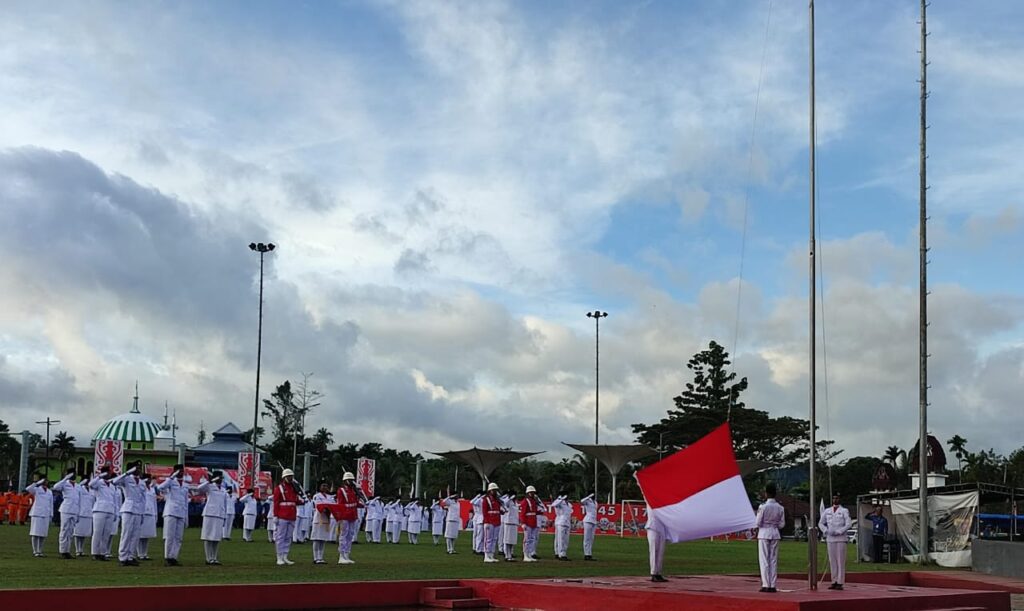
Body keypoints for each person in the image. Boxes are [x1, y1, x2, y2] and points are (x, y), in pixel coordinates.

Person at [113, 463, 146, 566]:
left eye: (139, 469)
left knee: (135, 535)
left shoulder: (141, 482)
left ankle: (131, 556)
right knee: (126, 534)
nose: (139, 470)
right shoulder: (126, 479)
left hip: (138, 510)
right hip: (128, 508)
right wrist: (126, 473)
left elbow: (143, 499)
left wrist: (143, 512)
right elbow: (115, 481)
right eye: (137, 468)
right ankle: (123, 557)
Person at [157, 464, 190, 566]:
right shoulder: (170, 482)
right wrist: (171, 477)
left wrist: (186, 517)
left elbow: (185, 502)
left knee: (178, 537)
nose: (181, 473)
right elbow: (160, 487)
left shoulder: (185, 484)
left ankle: (174, 557)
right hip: (170, 511)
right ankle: (168, 557)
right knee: (169, 536)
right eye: (179, 471)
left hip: (181, 512)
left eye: (182, 471)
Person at [755, 482, 785, 593]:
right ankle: (772, 584)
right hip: (775, 532)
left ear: (766, 493)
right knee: (773, 559)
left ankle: (765, 584)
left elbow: (757, 522)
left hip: (764, 533)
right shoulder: (780, 507)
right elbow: (782, 524)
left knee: (764, 559)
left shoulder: (763, 507)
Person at [819, 493, 852, 590]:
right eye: (834, 498)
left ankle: (840, 582)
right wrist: (825, 530)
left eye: (837, 498)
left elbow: (848, 523)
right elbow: (821, 523)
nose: (835, 500)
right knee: (832, 561)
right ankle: (833, 581)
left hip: (841, 538)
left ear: (840, 499)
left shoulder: (844, 511)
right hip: (830, 538)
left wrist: (840, 531)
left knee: (840, 561)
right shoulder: (827, 511)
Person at [197, 471, 227, 565]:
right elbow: (199, 489)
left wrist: (224, 516)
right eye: (219, 478)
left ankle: (214, 557)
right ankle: (208, 558)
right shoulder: (210, 486)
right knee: (208, 536)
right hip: (209, 514)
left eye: (221, 478)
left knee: (216, 538)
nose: (221, 479)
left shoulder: (223, 489)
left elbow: (224, 504)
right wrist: (209, 481)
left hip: (219, 515)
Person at [89, 466, 119, 561]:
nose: (110, 474)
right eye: (108, 472)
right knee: (97, 532)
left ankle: (103, 553)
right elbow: (90, 484)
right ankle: (95, 553)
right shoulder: (98, 483)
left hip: (110, 510)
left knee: (106, 533)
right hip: (100, 510)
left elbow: (115, 501)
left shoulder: (112, 486)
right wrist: (99, 476)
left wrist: (115, 513)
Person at [273, 468, 301, 565]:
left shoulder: (293, 487)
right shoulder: (279, 488)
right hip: (282, 515)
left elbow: (295, 500)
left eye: (291, 476)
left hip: (292, 515)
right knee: (281, 536)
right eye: (288, 476)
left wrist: (301, 500)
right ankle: (279, 557)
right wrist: (275, 515)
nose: (290, 478)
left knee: (288, 537)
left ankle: (285, 556)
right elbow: (276, 503)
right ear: (284, 477)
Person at [335, 472, 363, 564]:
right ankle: (341, 556)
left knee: (350, 535)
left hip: (353, 515)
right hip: (345, 515)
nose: (351, 481)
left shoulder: (354, 490)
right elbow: (340, 504)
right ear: (345, 480)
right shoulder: (341, 490)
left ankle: (347, 555)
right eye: (349, 480)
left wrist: (363, 504)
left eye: (352, 480)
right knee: (344, 535)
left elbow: (355, 502)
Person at [53, 469, 81, 559]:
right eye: (72, 474)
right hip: (66, 509)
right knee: (64, 530)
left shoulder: (77, 486)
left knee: (71, 531)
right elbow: (55, 487)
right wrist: (65, 478)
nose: (74, 476)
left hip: (75, 510)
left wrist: (79, 513)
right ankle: (63, 551)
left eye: (75, 474)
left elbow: (79, 500)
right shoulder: (64, 484)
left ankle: (67, 551)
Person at [26, 476, 53, 557]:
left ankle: (40, 550)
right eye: (44, 481)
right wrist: (37, 483)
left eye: (46, 481)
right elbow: (28, 489)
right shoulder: (37, 489)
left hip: (46, 514)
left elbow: (51, 504)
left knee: (43, 534)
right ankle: (35, 551)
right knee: (35, 533)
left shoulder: (49, 492)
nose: (46, 482)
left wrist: (51, 515)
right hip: (37, 513)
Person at [310, 481, 334, 565]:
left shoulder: (330, 497)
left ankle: (321, 557)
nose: (325, 487)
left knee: (323, 539)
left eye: (326, 486)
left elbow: (333, 505)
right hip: (318, 519)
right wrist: (326, 507)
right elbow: (319, 505)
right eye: (323, 485)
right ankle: (316, 557)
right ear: (319, 487)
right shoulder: (317, 496)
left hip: (326, 520)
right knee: (317, 539)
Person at [519, 486, 544, 562]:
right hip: (527, 523)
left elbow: (534, 511)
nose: (532, 494)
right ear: (528, 493)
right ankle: (525, 555)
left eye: (533, 492)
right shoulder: (525, 501)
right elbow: (522, 513)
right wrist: (523, 523)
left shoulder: (533, 501)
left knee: (532, 539)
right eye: (531, 492)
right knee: (527, 539)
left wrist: (540, 512)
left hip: (533, 522)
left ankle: (529, 554)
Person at [481, 482, 504, 563]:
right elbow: (484, 511)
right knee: (488, 539)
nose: (495, 492)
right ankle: (486, 555)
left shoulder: (497, 499)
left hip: (497, 521)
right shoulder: (486, 499)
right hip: (489, 522)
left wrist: (501, 511)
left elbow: (497, 510)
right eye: (493, 490)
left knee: (494, 539)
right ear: (490, 490)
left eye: (496, 490)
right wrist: (486, 522)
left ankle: (491, 554)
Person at [137, 473, 158, 560]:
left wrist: (155, 514)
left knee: (147, 535)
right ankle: (139, 553)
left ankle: (145, 553)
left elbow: (154, 502)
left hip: (151, 513)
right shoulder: (141, 488)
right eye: (148, 479)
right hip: (143, 512)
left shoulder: (152, 489)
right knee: (140, 535)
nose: (150, 480)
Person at [646, 503, 667, 582]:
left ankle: (658, 573)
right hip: (653, 527)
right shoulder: (649, 500)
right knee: (654, 551)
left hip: (662, 528)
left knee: (661, 552)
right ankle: (653, 573)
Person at [73, 476, 94, 557]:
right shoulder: (80, 489)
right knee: (78, 533)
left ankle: (81, 550)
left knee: (84, 534)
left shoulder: (91, 490)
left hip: (89, 513)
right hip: (80, 513)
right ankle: (77, 550)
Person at [551, 494, 572, 561]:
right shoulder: (559, 502)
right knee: (560, 539)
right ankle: (561, 554)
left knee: (566, 539)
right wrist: (561, 498)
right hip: (560, 522)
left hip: (567, 522)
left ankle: (562, 553)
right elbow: (553, 505)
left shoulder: (569, 504)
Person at [501, 490, 520, 561]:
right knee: (507, 540)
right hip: (508, 522)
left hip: (514, 522)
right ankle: (506, 555)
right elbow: (504, 503)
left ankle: (510, 554)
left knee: (512, 540)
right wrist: (509, 498)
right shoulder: (508, 501)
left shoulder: (516, 502)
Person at [580, 493, 598, 561]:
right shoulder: (587, 501)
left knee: (591, 538)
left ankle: (589, 554)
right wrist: (588, 496)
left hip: (593, 521)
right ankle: (586, 554)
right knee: (586, 538)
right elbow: (582, 501)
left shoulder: (595, 502)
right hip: (587, 520)